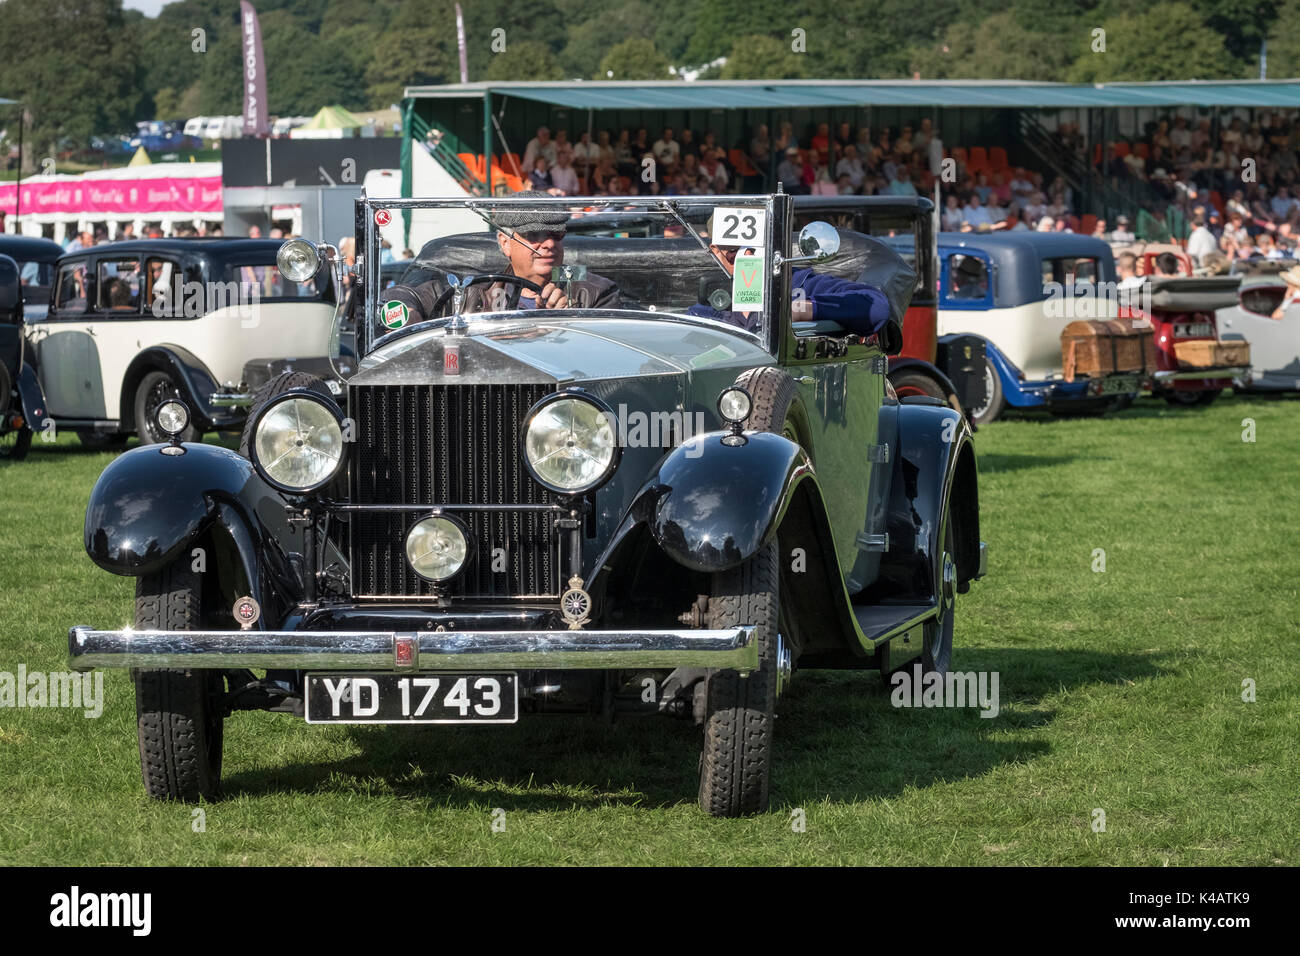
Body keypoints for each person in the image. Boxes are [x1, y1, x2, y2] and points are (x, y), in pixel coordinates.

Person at [384, 193, 620, 325]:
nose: (548, 244)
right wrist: (405, 314)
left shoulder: (591, 291)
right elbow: (402, 296)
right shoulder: (474, 289)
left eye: (556, 235)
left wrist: (569, 320)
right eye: (534, 235)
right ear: (505, 242)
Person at [687, 211, 893, 336]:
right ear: (716, 252)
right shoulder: (710, 306)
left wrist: (795, 310)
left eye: (754, 247)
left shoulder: (799, 285)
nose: (746, 256)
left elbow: (877, 307)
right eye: (733, 251)